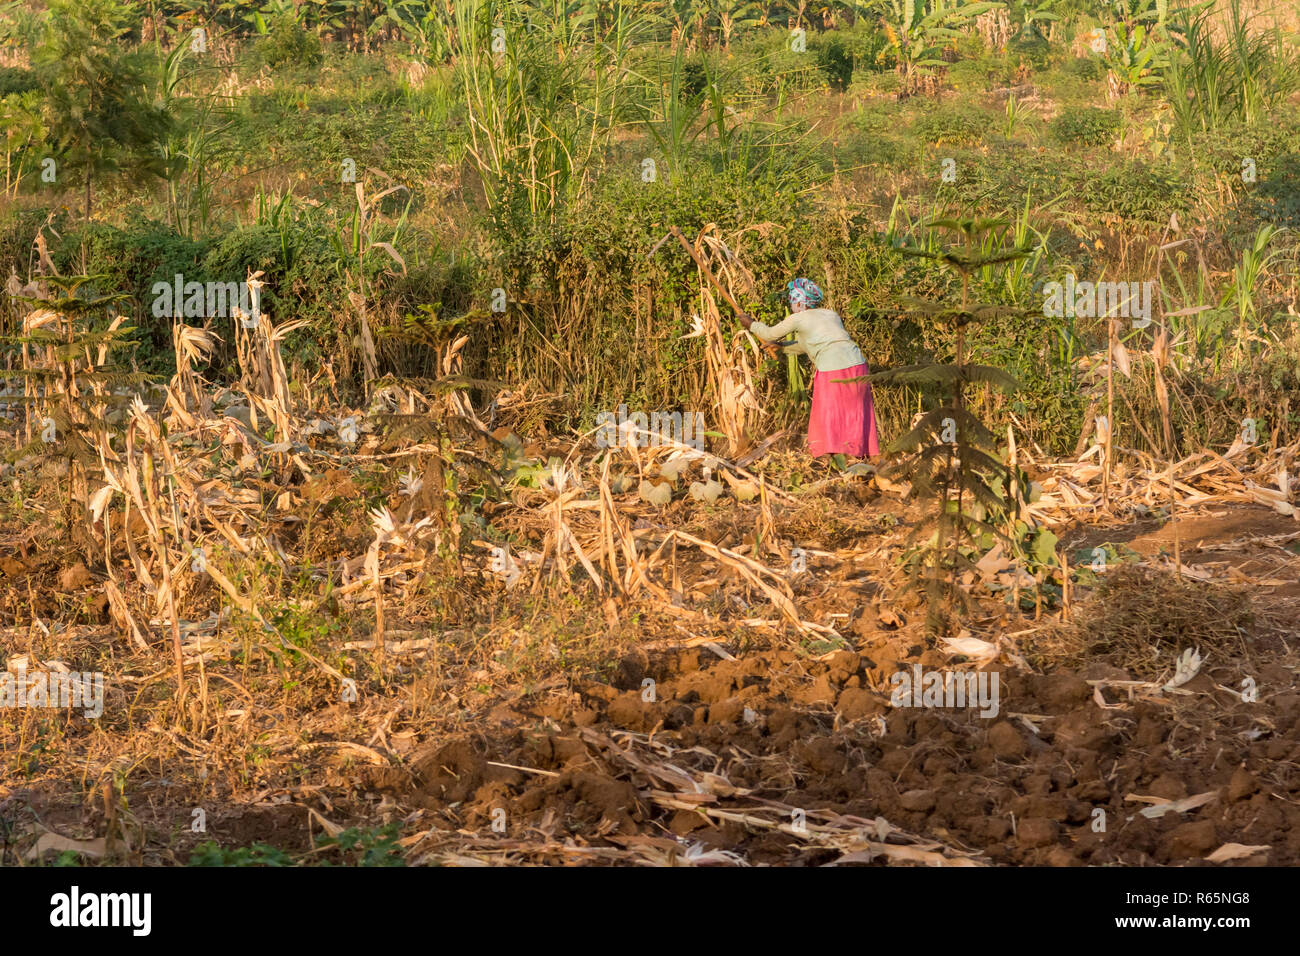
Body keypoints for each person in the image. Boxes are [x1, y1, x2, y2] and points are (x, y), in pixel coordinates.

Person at [740, 278, 880, 460]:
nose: (792, 305)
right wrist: (782, 346)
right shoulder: (831, 315)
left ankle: (828, 455)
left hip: (832, 369)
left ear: (799, 302)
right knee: (854, 410)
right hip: (858, 365)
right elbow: (808, 345)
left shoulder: (798, 318)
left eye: (792, 301)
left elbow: (768, 333)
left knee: (828, 413)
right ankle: (859, 453)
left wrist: (751, 324)